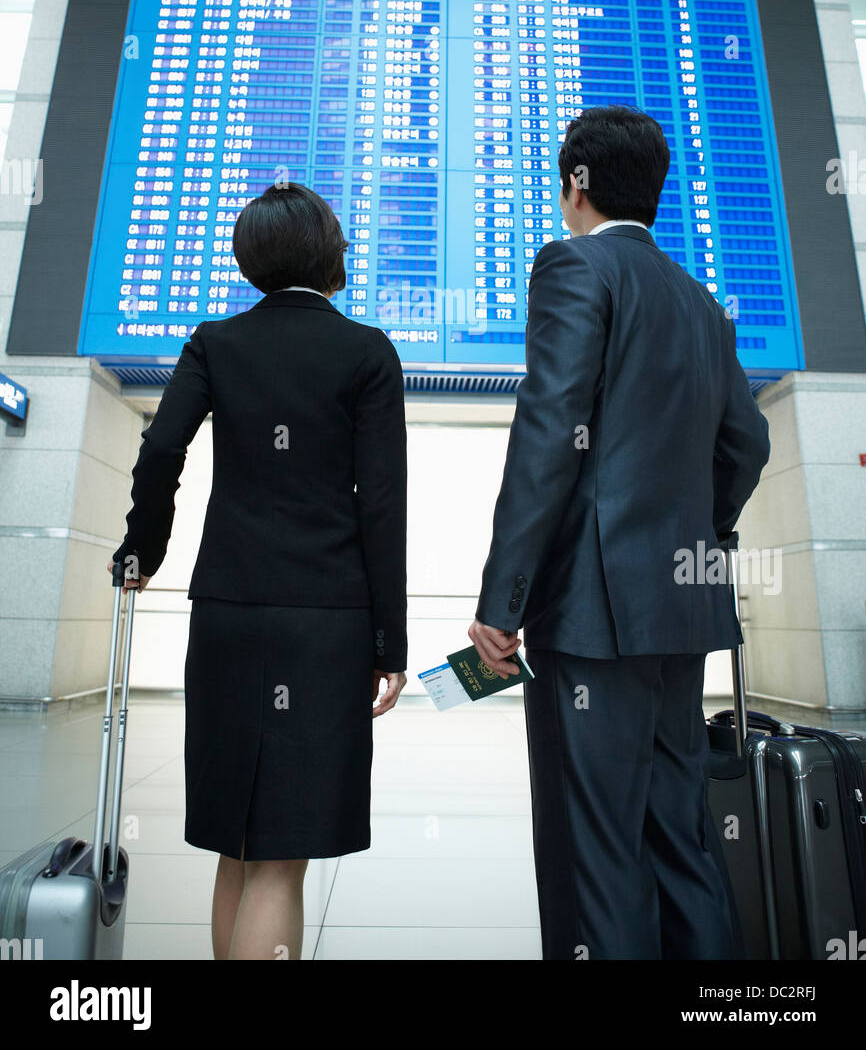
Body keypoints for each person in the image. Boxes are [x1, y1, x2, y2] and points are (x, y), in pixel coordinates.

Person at [468, 105, 770, 960]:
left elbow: (548, 431)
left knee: (598, 854)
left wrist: (504, 598)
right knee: (683, 841)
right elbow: (747, 442)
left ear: (577, 185)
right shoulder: (702, 304)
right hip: (683, 612)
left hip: (594, 619)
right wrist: (695, 536)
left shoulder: (574, 265)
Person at [108, 182, 408, 961]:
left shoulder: (215, 343)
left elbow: (161, 449)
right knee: (283, 856)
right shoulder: (367, 351)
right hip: (326, 622)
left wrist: (145, 548)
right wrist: (390, 643)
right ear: (333, 254)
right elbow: (381, 505)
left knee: (237, 844)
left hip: (228, 614)